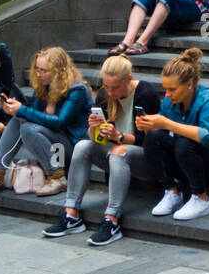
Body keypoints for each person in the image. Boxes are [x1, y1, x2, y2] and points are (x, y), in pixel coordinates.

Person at [43, 55, 162, 246]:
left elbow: (152, 141)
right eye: (106, 86)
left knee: (119, 150)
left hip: (146, 159)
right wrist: (93, 128)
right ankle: (71, 213)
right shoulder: (104, 96)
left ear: (129, 80)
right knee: (83, 146)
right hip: (117, 154)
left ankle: (111, 219)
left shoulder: (146, 94)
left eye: (114, 87)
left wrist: (119, 136)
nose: (109, 91)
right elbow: (97, 139)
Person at [138, 47, 209, 221]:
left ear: (189, 84)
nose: (167, 95)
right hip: (188, 163)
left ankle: (201, 198)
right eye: (165, 89)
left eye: (172, 89)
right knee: (153, 137)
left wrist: (167, 123)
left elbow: (205, 136)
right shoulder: (170, 102)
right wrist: (147, 124)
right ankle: (172, 192)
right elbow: (161, 131)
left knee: (185, 142)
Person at [0, 47, 92, 196]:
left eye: (44, 70)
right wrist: (14, 110)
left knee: (27, 126)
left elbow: (60, 122)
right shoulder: (43, 87)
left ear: (59, 71)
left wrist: (22, 110)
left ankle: (57, 178)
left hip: (72, 148)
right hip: (50, 147)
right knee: (18, 120)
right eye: (37, 69)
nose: (38, 74)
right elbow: (32, 117)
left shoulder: (77, 90)